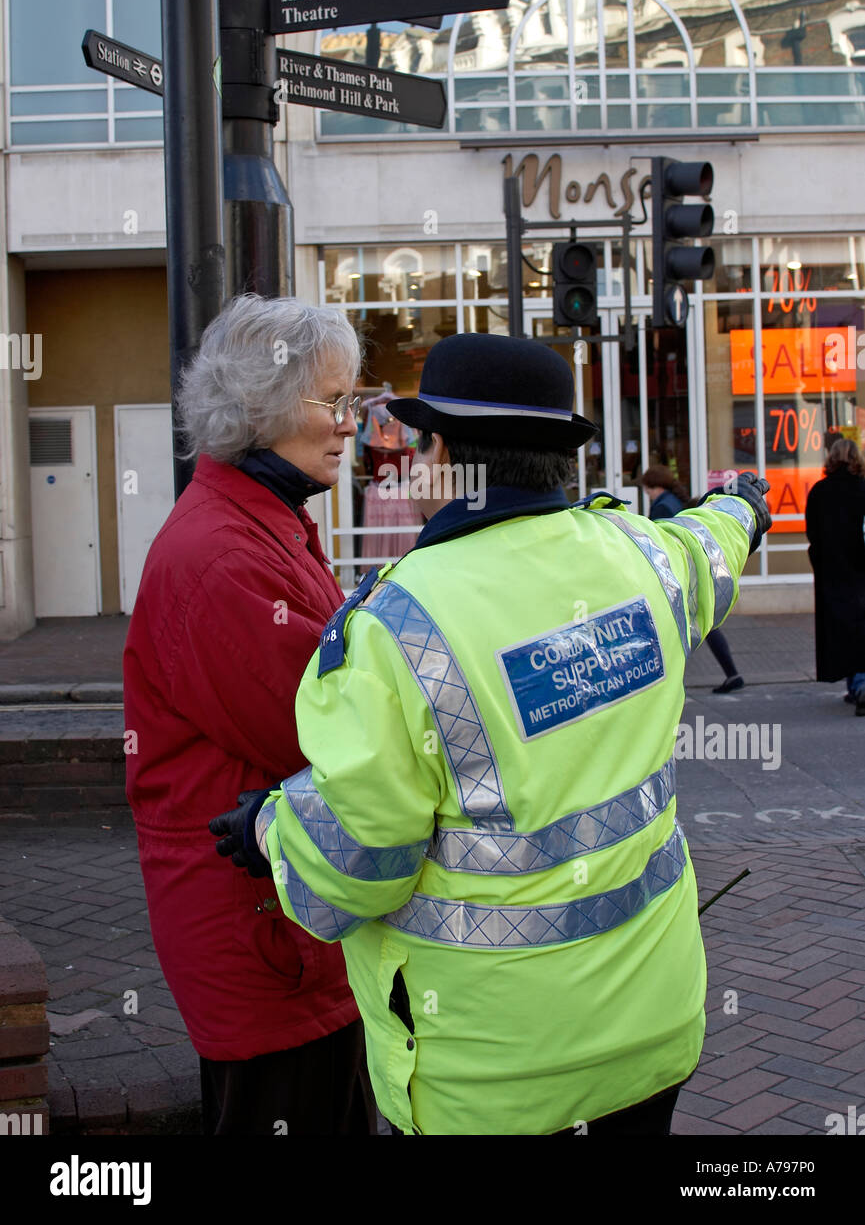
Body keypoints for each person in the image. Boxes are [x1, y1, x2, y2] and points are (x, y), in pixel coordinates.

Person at [211, 333, 771, 1136]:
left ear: (441, 452)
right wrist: (742, 504)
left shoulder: (393, 628)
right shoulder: (641, 555)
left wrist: (267, 826)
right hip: (653, 1029)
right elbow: (710, 548)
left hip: (491, 1074)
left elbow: (360, 863)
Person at [123, 294, 376, 1136]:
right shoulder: (223, 556)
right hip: (265, 947)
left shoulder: (260, 522)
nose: (350, 426)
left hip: (286, 935)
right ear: (262, 409)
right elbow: (330, 730)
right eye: (334, 402)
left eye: (352, 402)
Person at [641, 465, 745, 694]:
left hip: (679, 574)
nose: (647, 494)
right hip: (690, 570)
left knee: (692, 627)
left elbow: (659, 544)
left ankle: (669, 685)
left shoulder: (663, 507)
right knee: (704, 624)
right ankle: (732, 673)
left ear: (656, 487)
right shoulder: (672, 502)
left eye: (647, 490)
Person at [805, 437, 865, 715]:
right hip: (860, 570)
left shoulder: (819, 491)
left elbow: (813, 534)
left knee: (842, 632)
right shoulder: (862, 489)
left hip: (833, 573)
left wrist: (821, 562)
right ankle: (860, 684)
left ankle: (856, 684)